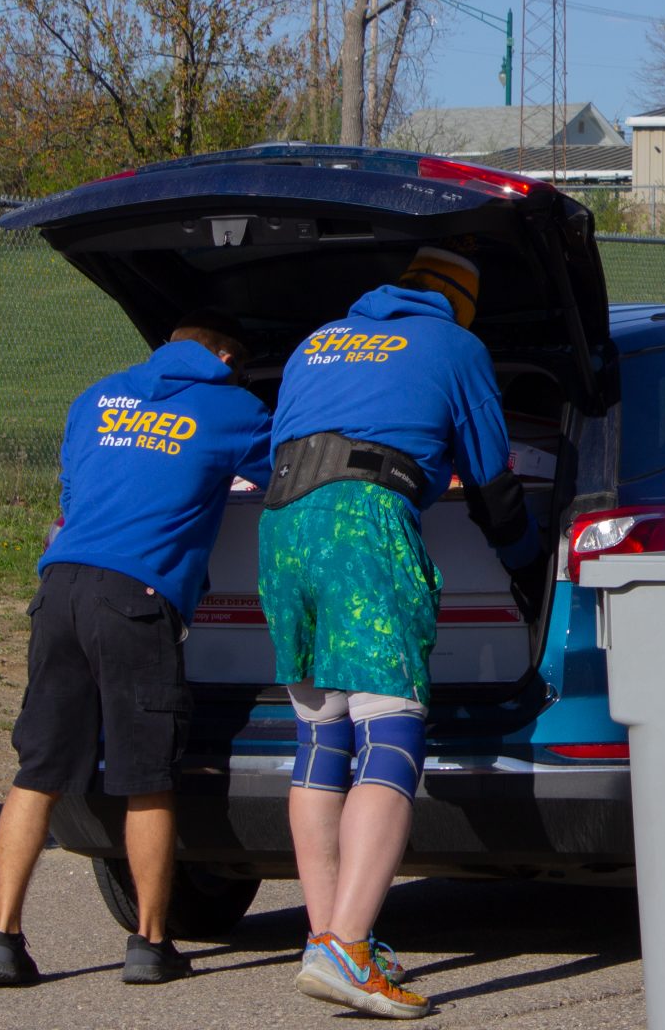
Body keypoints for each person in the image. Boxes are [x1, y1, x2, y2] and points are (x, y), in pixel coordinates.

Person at [259, 246, 540, 1019]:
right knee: (390, 732)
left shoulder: (319, 340)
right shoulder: (456, 345)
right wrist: (527, 558)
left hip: (281, 528)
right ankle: (349, 948)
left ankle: (329, 938)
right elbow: (489, 475)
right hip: (365, 521)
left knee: (320, 734)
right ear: (461, 303)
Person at [0, 312, 271, 989]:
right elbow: (285, 476)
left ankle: (3, 936)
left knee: (38, 769)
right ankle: (150, 941)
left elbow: (79, 487)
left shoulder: (96, 397)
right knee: (147, 774)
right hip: (135, 598)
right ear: (227, 358)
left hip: (60, 585)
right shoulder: (230, 406)